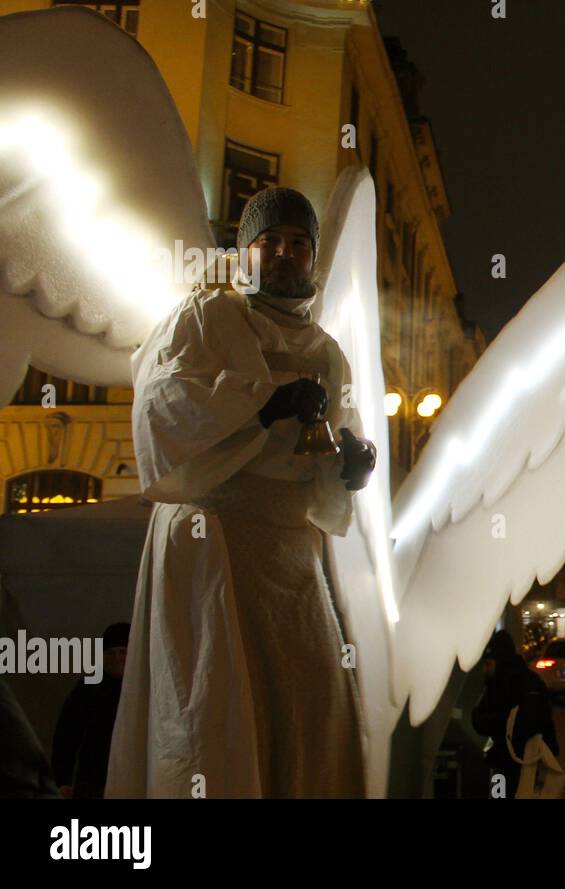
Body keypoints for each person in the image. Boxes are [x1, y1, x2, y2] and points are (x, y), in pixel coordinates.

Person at [106, 187, 378, 798]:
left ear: (312, 259)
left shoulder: (328, 353)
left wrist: (350, 468)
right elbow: (161, 413)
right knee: (219, 712)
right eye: (270, 242)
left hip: (289, 549)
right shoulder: (204, 316)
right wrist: (261, 408)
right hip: (214, 538)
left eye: (298, 244)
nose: (285, 254)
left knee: (312, 702)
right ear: (244, 252)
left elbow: (324, 462)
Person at [471, 630, 558, 798]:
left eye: (488, 663)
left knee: (503, 794)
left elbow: (530, 723)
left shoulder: (511, 684)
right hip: (511, 761)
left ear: (499, 661)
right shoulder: (525, 681)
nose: (485, 669)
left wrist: (495, 722)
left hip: (521, 762)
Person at [52, 623, 129, 799]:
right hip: (94, 781)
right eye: (111, 653)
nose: (117, 658)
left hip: (134, 777)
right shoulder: (89, 687)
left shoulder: (143, 688)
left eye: (123, 652)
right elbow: (67, 736)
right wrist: (62, 780)